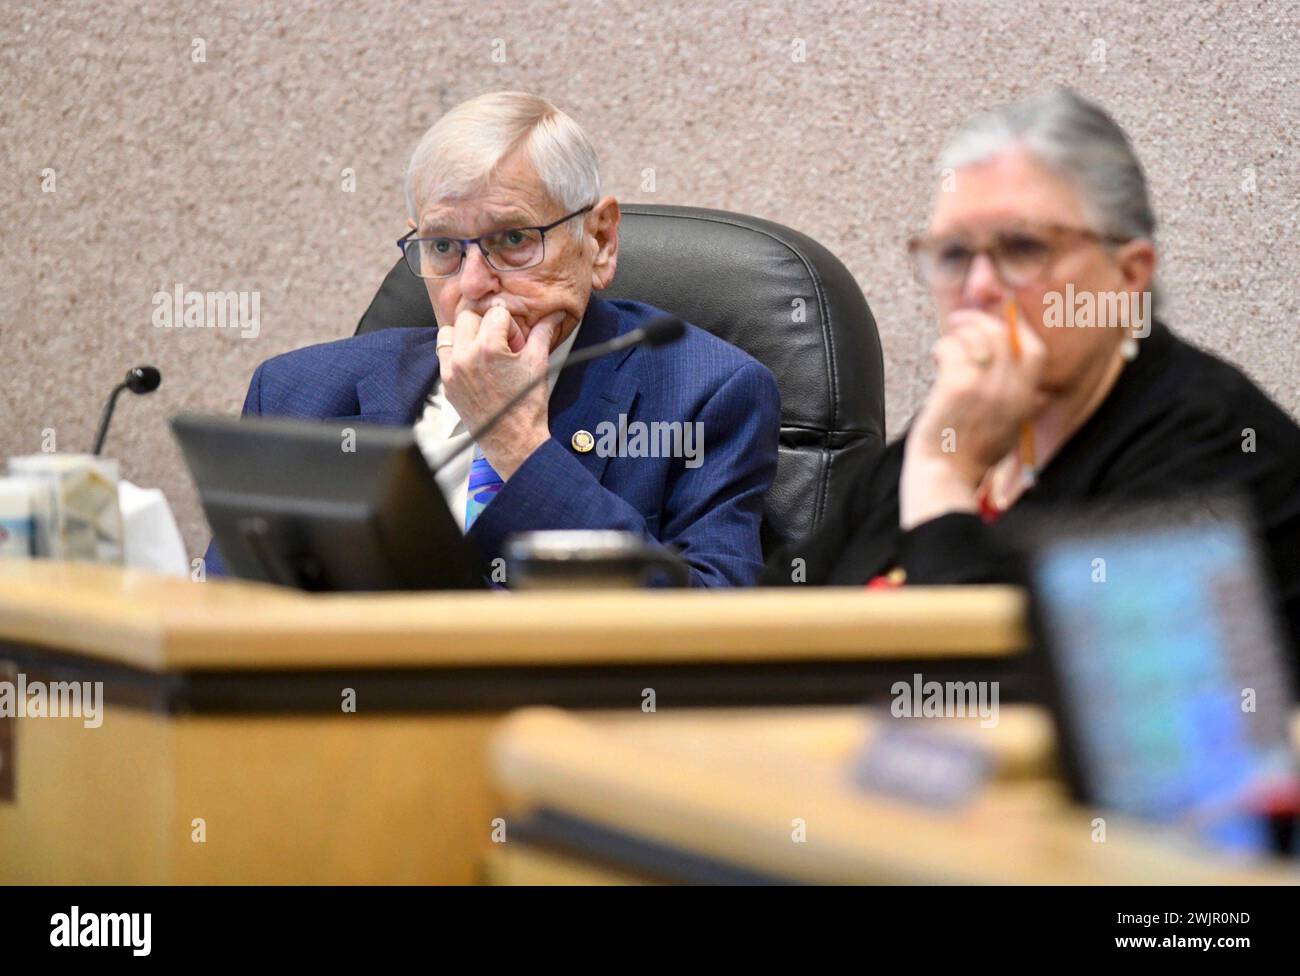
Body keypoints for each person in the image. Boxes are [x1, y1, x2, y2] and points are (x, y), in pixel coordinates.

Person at [763, 87, 1300, 659]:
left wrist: (944, 480)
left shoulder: (1213, 450)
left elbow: (997, 705)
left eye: (1022, 247)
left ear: (1129, 275)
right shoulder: (956, 429)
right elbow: (758, 628)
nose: (978, 288)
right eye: (952, 255)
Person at [204, 91, 780, 587]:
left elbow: (708, 628)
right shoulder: (295, 393)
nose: (474, 284)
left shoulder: (705, 392)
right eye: (444, 247)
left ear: (599, 240)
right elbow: (230, 621)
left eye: (512, 239)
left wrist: (517, 445)